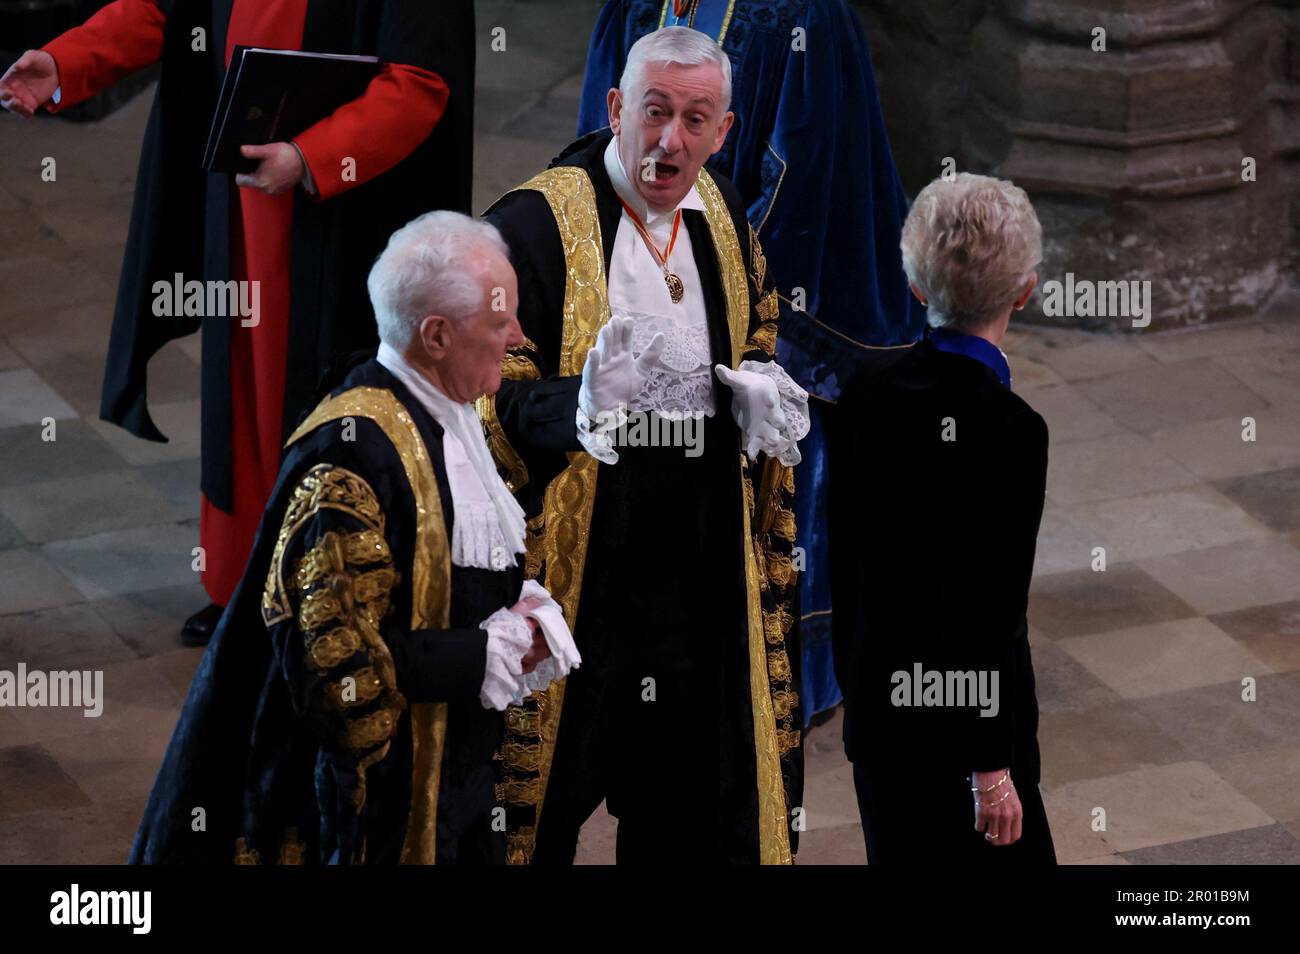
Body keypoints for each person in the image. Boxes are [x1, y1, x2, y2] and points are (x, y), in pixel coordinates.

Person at [0, 0, 475, 645]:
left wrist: (312, 157)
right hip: (245, 200)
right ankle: (243, 588)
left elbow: (420, 81)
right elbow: (166, 8)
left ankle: (326, 604)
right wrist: (65, 62)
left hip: (341, 219)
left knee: (327, 414)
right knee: (243, 401)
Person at [129, 211, 578, 865]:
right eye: (501, 320)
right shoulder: (349, 459)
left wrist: (517, 615)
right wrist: (482, 653)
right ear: (436, 335)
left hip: (458, 788)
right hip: (378, 817)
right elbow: (335, 673)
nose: (520, 335)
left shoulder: (449, 409)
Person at [480, 26, 808, 865]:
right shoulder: (533, 227)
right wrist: (574, 404)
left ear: (724, 130)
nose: (672, 141)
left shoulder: (724, 212)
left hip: (693, 577)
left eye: (697, 120)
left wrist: (762, 382)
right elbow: (475, 396)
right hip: (579, 578)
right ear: (618, 107)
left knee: (684, 808)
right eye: (655, 113)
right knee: (538, 813)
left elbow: (760, 318)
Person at [577, 0, 925, 720]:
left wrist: (714, 280)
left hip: (753, 277)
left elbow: (806, 172)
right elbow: (594, 131)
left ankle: (773, 666)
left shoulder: (803, 19)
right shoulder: (636, 7)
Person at [830, 172, 1056, 864]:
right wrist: (990, 770)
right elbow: (987, 609)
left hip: (880, 722)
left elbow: (847, 564)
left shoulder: (865, 392)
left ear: (917, 286)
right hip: (972, 745)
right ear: (1025, 289)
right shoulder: (1013, 429)